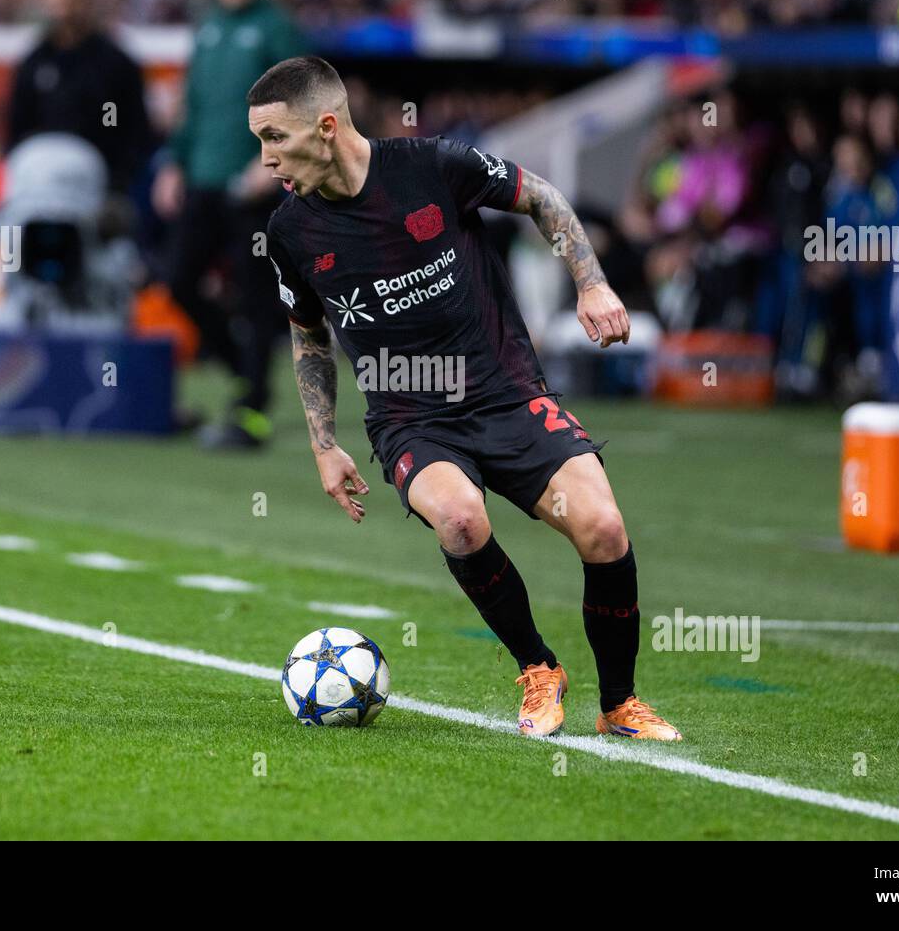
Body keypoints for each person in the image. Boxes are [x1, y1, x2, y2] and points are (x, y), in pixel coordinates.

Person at [250, 56, 682, 740]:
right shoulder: (289, 233)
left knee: (602, 528)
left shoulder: (433, 167)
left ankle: (619, 704)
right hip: (409, 417)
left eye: (274, 138)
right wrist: (324, 444)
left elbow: (542, 197)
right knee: (459, 519)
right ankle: (539, 668)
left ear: (326, 127)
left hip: (505, 393)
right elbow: (308, 337)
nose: (266, 159)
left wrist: (591, 283)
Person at [152, 0, 307, 449]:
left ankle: (253, 410)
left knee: (256, 295)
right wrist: (174, 164)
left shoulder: (275, 28)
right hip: (202, 178)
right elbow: (192, 106)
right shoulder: (208, 28)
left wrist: (274, 163)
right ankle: (242, 369)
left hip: (253, 185)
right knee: (177, 281)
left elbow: (301, 102)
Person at [6, 0, 152, 195]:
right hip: (40, 180)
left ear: (87, 1)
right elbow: (18, 124)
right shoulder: (34, 63)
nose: (64, 8)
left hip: (101, 182)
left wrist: (118, 180)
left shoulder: (114, 63)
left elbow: (131, 126)